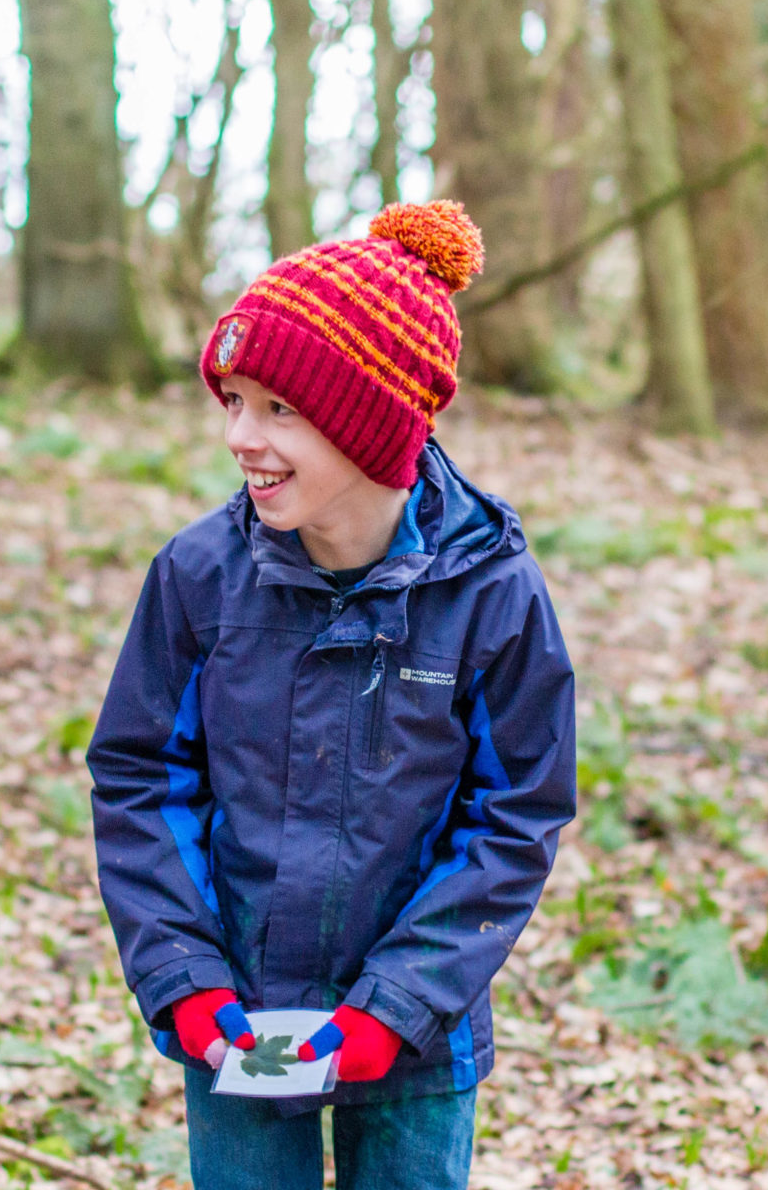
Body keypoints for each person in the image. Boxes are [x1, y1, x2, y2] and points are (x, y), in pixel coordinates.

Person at [88, 201, 578, 1190]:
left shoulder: (490, 592)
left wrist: (397, 1004)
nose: (241, 436)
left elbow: (516, 813)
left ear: (371, 421)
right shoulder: (198, 576)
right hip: (236, 1020)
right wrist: (187, 982)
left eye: (280, 409)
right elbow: (140, 781)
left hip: (416, 1035)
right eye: (232, 400)